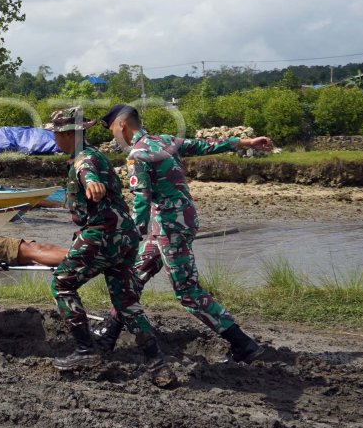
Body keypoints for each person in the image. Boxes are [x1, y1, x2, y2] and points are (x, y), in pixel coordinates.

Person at [98, 103, 273, 363]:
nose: (113, 135)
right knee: (133, 277)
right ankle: (108, 337)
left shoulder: (137, 154)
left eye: (112, 128)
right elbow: (207, 146)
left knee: (187, 291)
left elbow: (141, 199)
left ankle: (243, 344)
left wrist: (130, 237)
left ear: (121, 124)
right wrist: (247, 141)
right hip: (176, 221)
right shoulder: (165, 141)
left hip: (170, 226)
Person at [45, 108, 169, 373]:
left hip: (102, 233)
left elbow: (87, 174)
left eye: (56, 133)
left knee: (62, 283)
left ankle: (85, 350)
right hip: (126, 236)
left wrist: (91, 184)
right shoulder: (96, 155)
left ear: (69, 134)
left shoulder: (84, 159)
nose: (54, 138)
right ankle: (156, 360)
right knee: (125, 300)